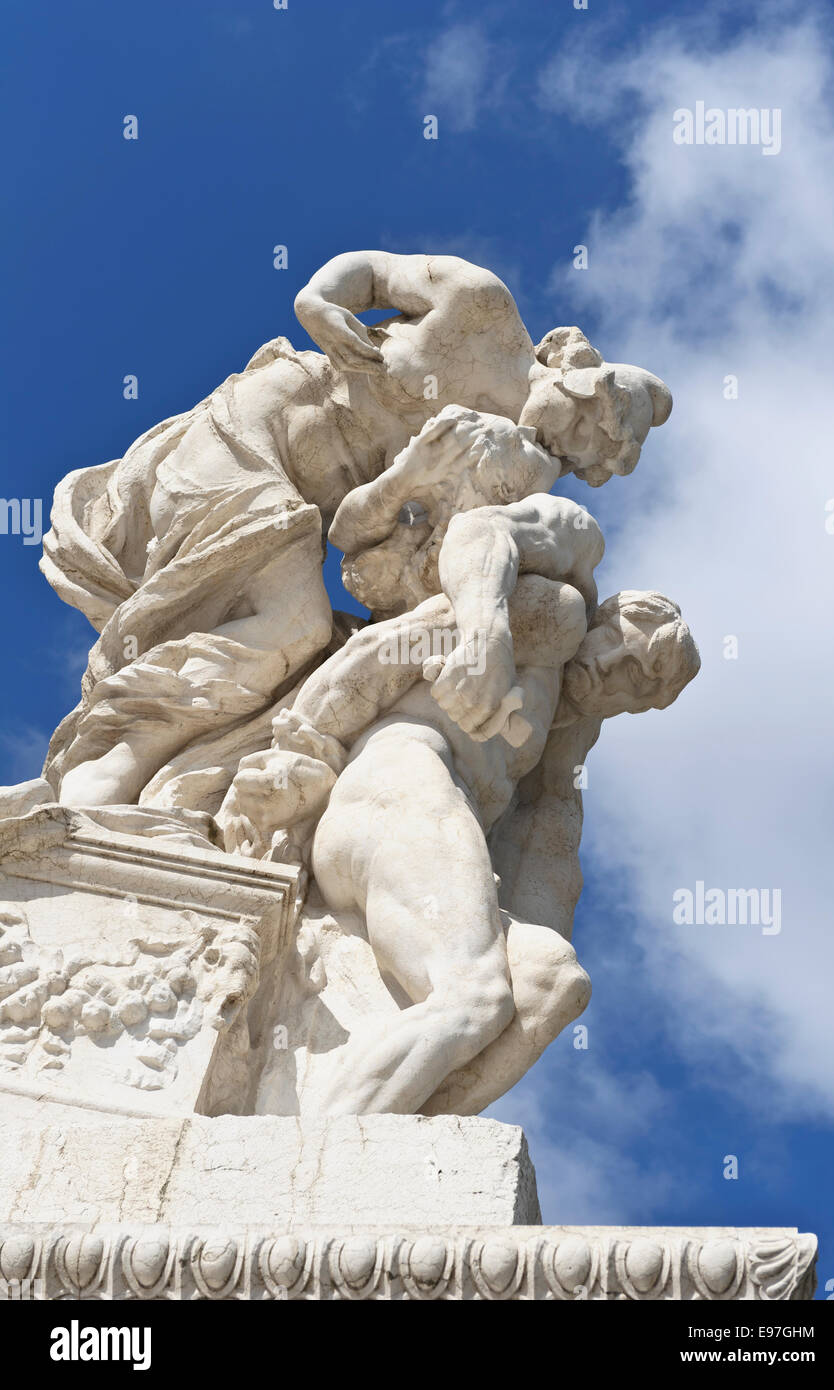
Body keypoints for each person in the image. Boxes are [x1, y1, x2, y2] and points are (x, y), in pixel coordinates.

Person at [39, 251, 672, 810]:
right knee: (295, 626)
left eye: (592, 455)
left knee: (304, 645)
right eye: (587, 421)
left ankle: (137, 780)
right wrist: (317, 302)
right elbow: (371, 272)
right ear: (574, 371)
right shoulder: (481, 306)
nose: (575, 446)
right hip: (254, 436)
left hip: (306, 518)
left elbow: (360, 547)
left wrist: (411, 488)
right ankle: (105, 775)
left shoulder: (513, 469)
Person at [220, 491, 699, 1116]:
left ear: (641, 707)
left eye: (637, 677)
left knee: (549, 983)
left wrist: (525, 941)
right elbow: (384, 649)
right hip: (398, 786)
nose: (612, 664)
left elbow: (548, 865)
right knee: (474, 994)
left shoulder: (564, 748)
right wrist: (484, 635)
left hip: (436, 849)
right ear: (604, 617)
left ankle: (384, 1129)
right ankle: (308, 1162)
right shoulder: (552, 619)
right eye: (619, 640)